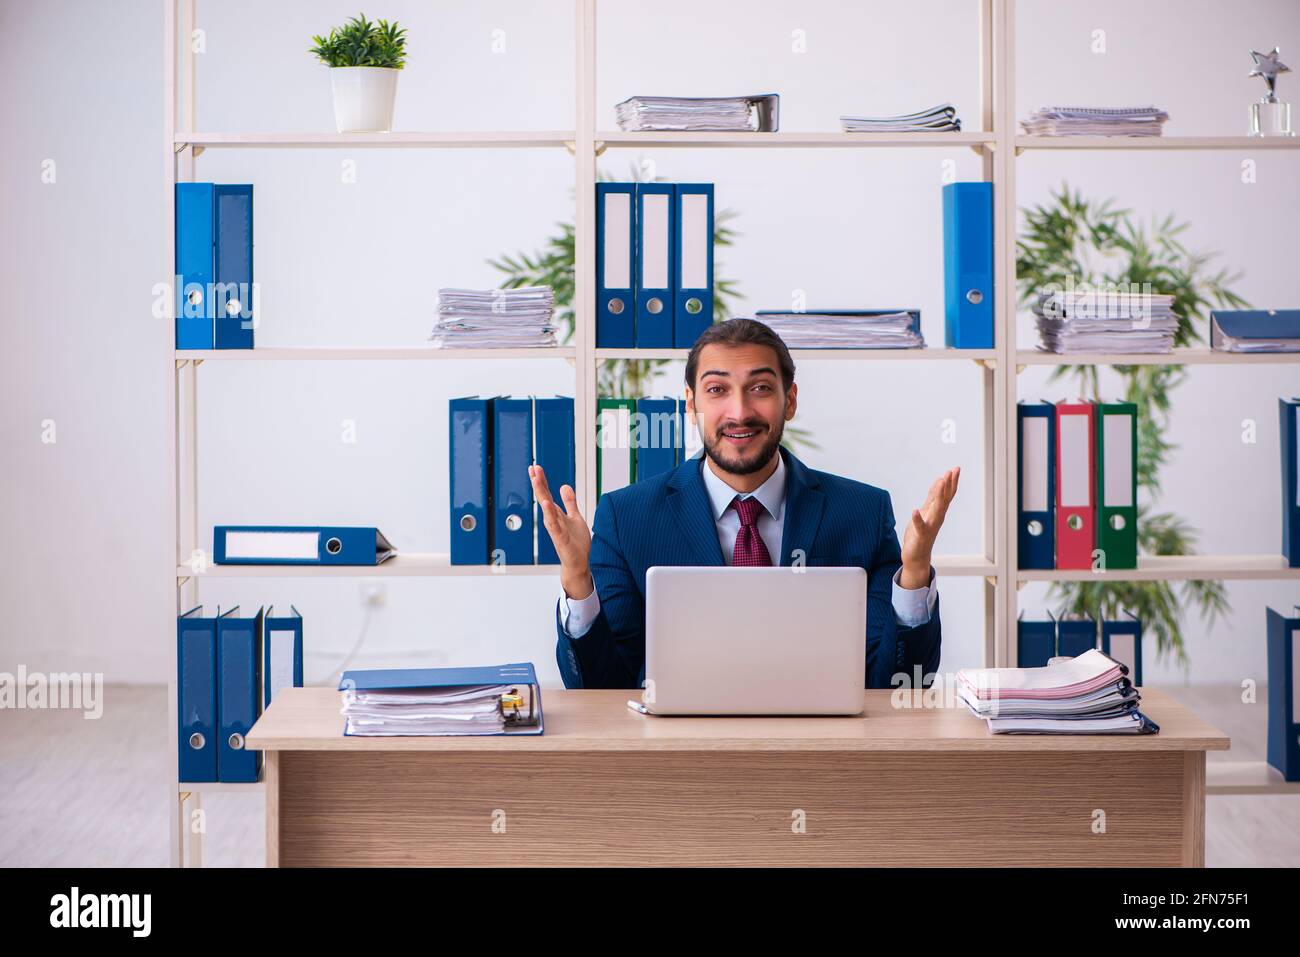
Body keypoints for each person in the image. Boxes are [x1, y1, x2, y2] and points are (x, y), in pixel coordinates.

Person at [527, 317, 959, 689]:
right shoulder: (627, 517)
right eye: (717, 390)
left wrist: (915, 574)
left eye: (760, 388)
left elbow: (899, 685)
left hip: (822, 758)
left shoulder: (862, 512)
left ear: (789, 401)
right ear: (691, 404)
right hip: (677, 762)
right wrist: (579, 581)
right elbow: (603, 688)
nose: (739, 411)